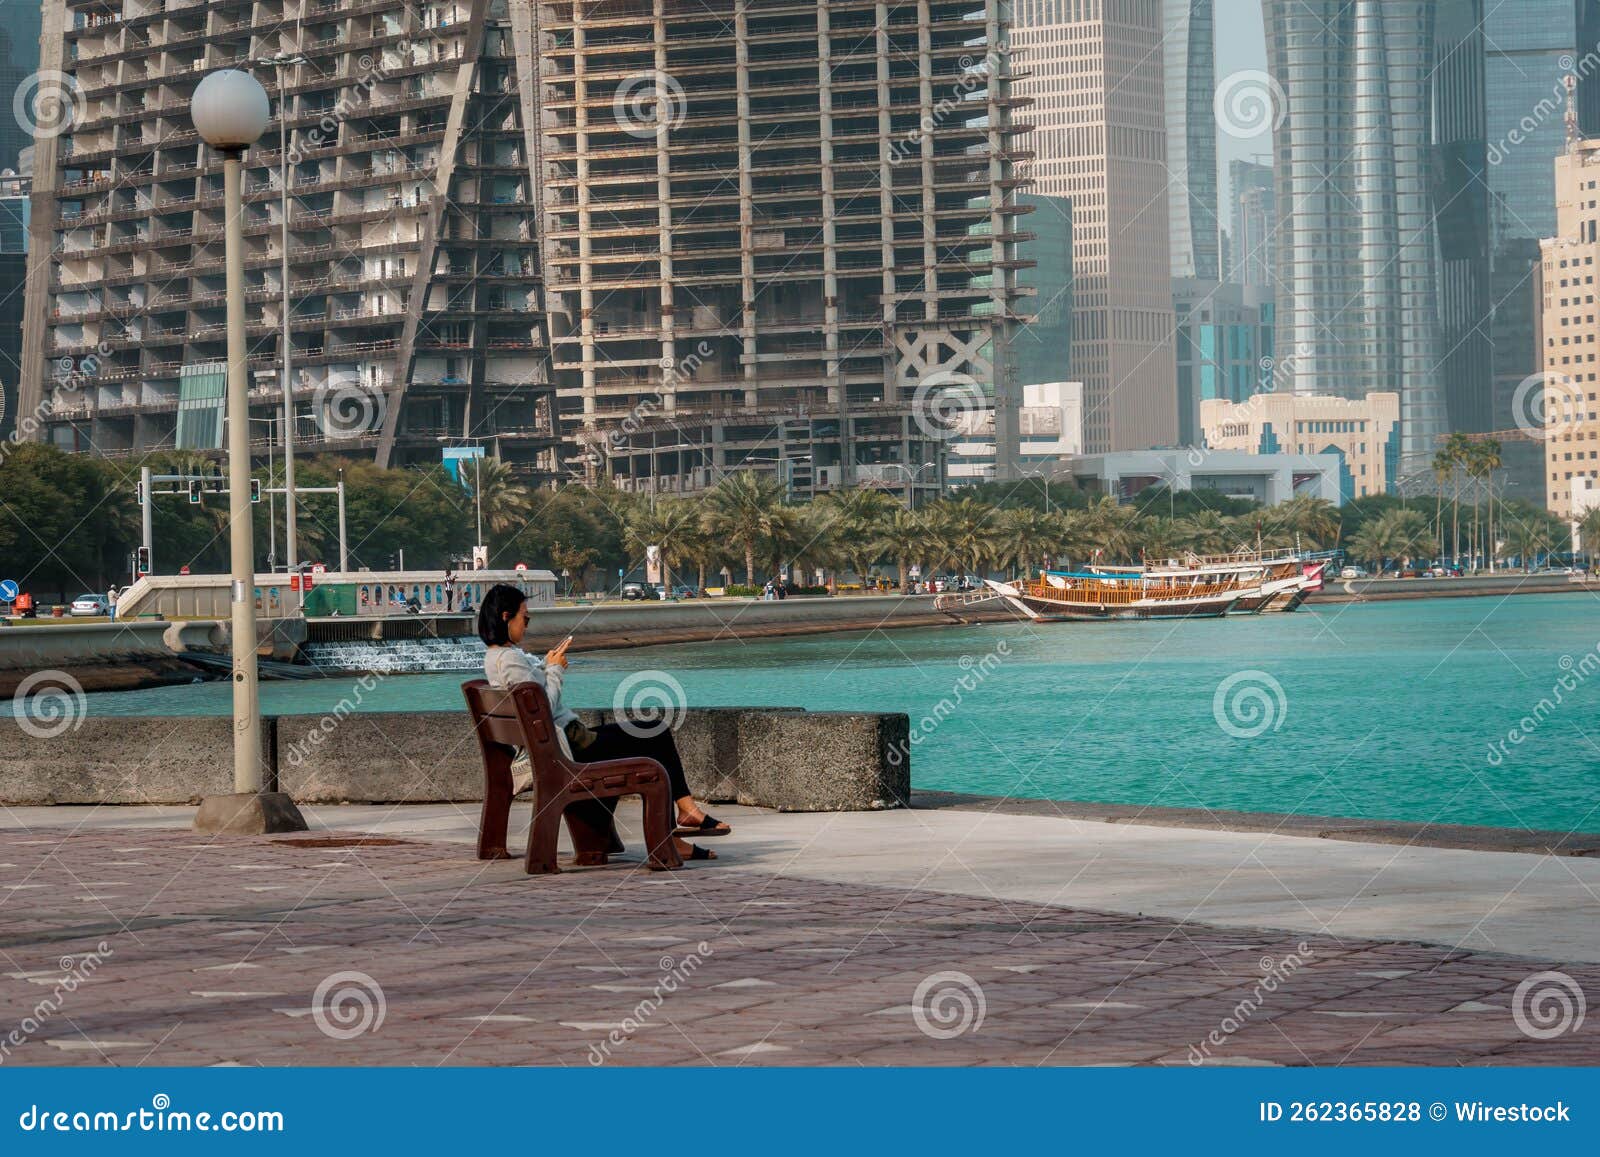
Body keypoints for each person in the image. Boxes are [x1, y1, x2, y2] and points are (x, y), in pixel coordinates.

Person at [479, 584, 729, 862]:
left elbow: (530, 698)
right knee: (655, 733)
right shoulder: (510, 659)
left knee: (651, 732)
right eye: (525, 618)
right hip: (570, 748)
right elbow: (543, 708)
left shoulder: (495, 658)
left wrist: (544, 666)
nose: (527, 624)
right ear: (505, 617)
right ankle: (684, 816)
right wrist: (556, 670)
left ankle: (680, 821)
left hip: (565, 743)